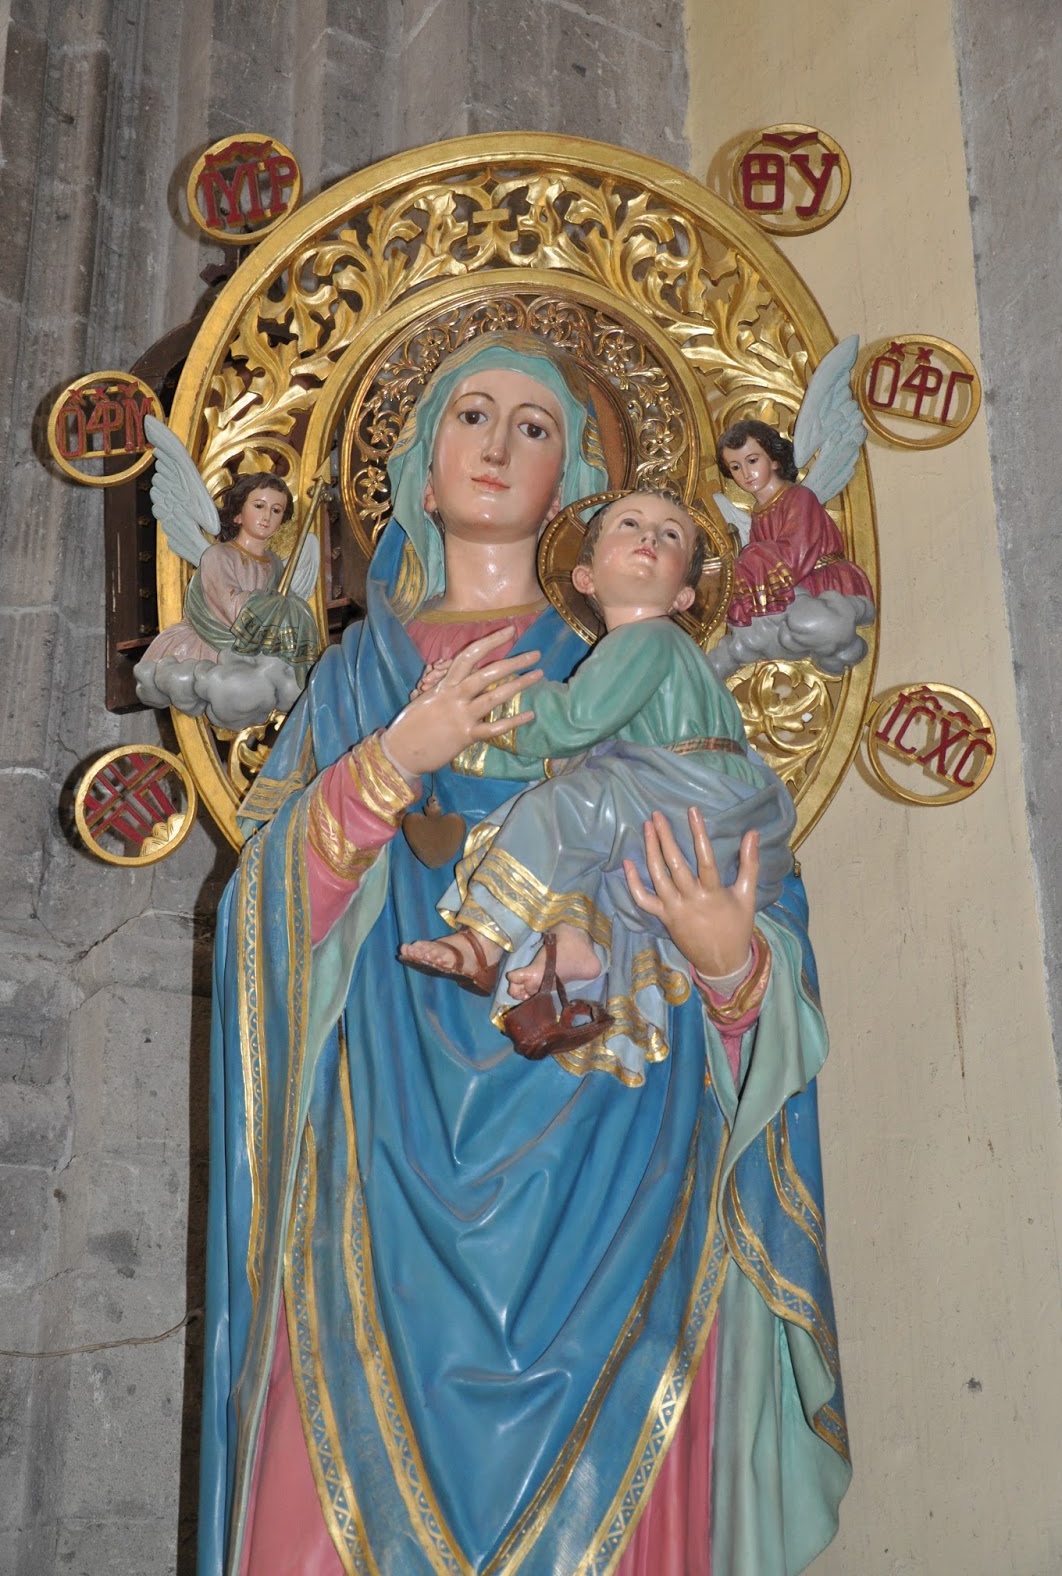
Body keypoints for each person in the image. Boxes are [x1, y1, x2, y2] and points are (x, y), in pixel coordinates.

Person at [198, 333, 850, 1576]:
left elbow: (756, 897)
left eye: (537, 426)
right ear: (418, 473)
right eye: (472, 417)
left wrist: (731, 963)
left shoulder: (637, 663)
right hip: (376, 1162)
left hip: (616, 1151)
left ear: (580, 493)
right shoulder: (355, 678)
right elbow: (261, 924)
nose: (500, 446)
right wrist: (397, 754)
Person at [399, 489, 797, 1079]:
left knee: (558, 811)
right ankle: (576, 948)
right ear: (585, 576)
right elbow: (566, 753)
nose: (650, 539)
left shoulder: (650, 639)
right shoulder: (627, 661)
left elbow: (572, 721)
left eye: (671, 537)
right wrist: (466, 745)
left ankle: (482, 942)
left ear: (683, 594)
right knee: (579, 824)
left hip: (695, 798)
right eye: (631, 525)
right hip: (691, 807)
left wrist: (482, 696)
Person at [139, 472, 317, 669]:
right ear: (238, 514)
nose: (267, 516)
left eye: (276, 510)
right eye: (259, 506)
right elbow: (231, 607)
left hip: (257, 653)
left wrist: (292, 609)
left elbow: (287, 605)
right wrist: (275, 606)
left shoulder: (274, 563)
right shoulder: (218, 556)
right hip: (210, 648)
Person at [717, 419, 874, 628]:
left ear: (774, 460)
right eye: (735, 467)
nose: (745, 473)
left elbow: (795, 553)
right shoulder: (759, 513)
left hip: (825, 583)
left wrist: (750, 562)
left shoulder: (799, 498)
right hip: (794, 588)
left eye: (752, 461)